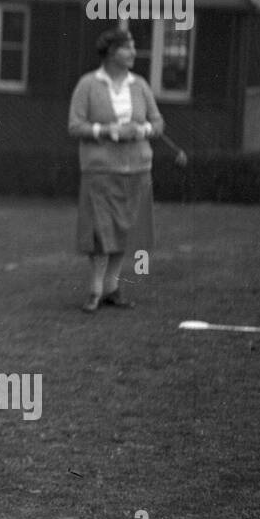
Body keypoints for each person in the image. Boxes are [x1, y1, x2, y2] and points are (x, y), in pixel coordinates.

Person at [68, 28, 165, 313]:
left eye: (133, 47)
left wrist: (142, 129)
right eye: (128, 48)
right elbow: (75, 125)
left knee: (124, 230)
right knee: (100, 231)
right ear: (111, 53)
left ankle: (112, 288)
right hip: (100, 169)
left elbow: (158, 123)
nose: (134, 53)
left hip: (136, 169)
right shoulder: (88, 84)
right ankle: (95, 290)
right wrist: (107, 130)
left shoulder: (140, 85)